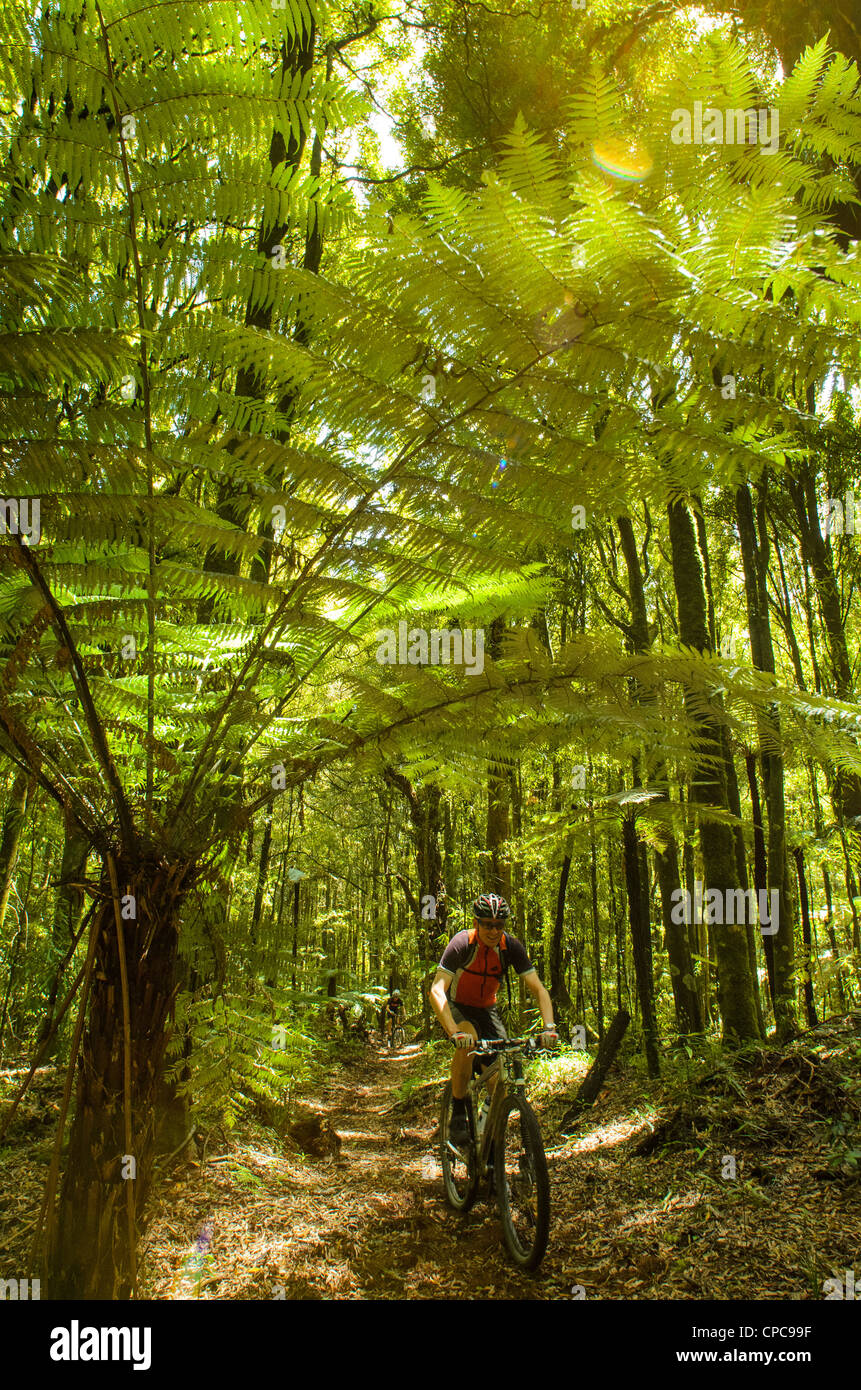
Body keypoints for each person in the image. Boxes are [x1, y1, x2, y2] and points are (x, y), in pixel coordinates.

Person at [429, 892, 557, 1145]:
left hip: (488, 1010)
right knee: (469, 1039)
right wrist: (454, 1031)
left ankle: (489, 1142)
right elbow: (437, 989)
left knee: (501, 1080)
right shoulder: (461, 943)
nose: (493, 931)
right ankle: (457, 1112)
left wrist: (549, 1027)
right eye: (487, 924)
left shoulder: (511, 947)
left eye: (499, 926)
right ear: (476, 923)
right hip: (459, 1008)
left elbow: (539, 989)